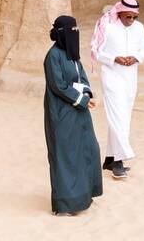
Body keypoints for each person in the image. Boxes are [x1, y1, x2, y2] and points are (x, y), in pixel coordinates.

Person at [43, 15, 104, 215]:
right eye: (72, 30)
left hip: (80, 111)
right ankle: (66, 203)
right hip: (62, 113)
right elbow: (58, 86)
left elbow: (82, 77)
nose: (75, 33)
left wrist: (87, 94)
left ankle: (85, 195)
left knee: (89, 150)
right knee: (66, 156)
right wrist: (83, 100)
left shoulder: (72, 54)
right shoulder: (53, 56)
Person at [91, 0, 144, 180]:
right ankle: (119, 161)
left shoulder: (139, 28)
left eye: (134, 17)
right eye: (127, 17)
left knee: (124, 116)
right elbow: (95, 50)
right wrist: (113, 58)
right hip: (111, 76)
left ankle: (109, 159)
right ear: (119, 12)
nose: (131, 20)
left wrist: (136, 58)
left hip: (130, 77)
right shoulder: (106, 25)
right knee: (117, 117)